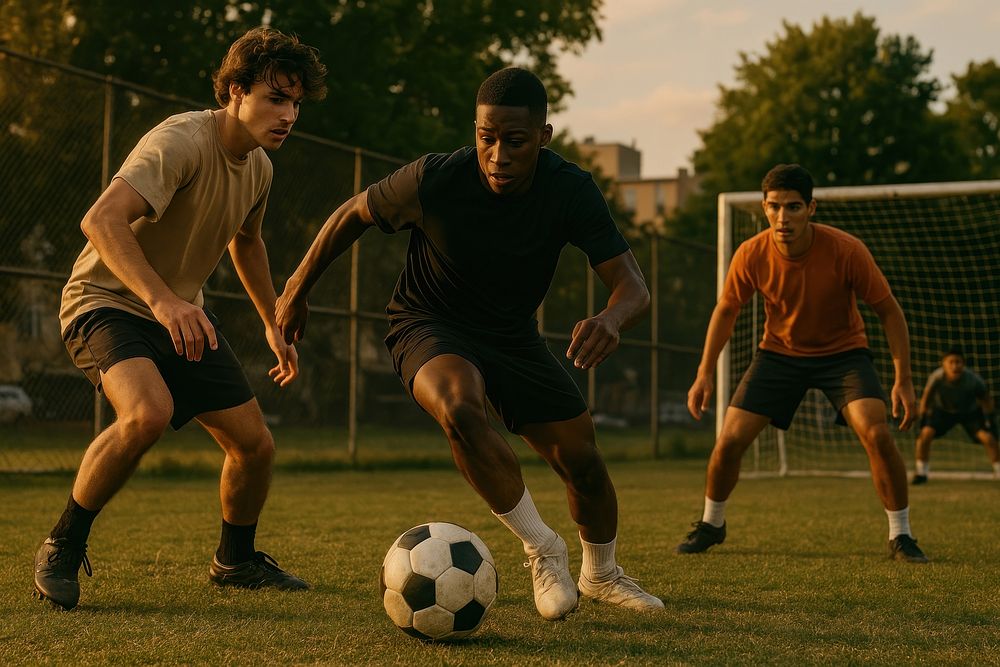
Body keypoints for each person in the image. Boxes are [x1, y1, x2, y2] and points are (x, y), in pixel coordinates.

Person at [276, 67, 663, 619]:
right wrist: (295, 289)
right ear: (476, 131)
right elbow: (350, 215)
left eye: (515, 141)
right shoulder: (434, 178)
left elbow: (633, 286)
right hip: (428, 322)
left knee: (583, 461)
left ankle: (601, 575)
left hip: (512, 336)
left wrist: (610, 318)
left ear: (544, 138)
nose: (498, 154)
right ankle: (542, 549)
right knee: (460, 404)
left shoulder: (569, 188)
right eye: (487, 138)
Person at [33, 27, 328, 611]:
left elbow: (248, 243)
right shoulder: (181, 141)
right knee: (147, 413)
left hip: (180, 313)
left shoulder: (260, 168)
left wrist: (273, 321)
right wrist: (165, 302)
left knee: (255, 446)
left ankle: (236, 561)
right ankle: (62, 545)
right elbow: (101, 220)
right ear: (235, 92)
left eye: (295, 102)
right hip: (105, 301)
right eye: (275, 97)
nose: (288, 113)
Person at [676, 163, 929, 563]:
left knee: (877, 434)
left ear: (811, 208)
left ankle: (901, 535)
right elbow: (727, 310)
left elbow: (889, 312)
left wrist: (904, 380)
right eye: (774, 207)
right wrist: (704, 372)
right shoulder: (751, 253)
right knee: (728, 441)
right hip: (779, 355)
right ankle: (712, 524)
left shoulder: (846, 250)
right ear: (764, 207)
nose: (782, 217)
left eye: (793, 207)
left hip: (843, 355)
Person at [912, 347, 999, 483]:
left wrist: (989, 420)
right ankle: (921, 473)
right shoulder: (936, 377)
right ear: (944, 364)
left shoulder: (973, 380)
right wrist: (922, 417)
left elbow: (986, 399)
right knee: (925, 434)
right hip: (943, 412)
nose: (954, 366)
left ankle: (998, 471)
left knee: (988, 438)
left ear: (963, 364)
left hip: (969, 413)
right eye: (951, 362)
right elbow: (926, 398)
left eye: (958, 362)